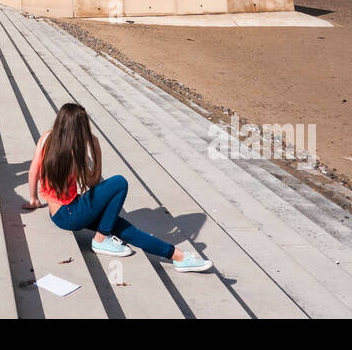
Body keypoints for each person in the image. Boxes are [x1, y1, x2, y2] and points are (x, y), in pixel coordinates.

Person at [27, 103, 213, 273]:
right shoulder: (75, 152)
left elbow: (33, 169)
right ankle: (100, 240)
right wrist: (97, 150)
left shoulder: (46, 138)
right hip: (71, 214)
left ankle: (178, 257)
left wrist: (34, 199)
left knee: (125, 228)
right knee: (119, 182)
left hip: (58, 214)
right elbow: (93, 183)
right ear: (78, 128)